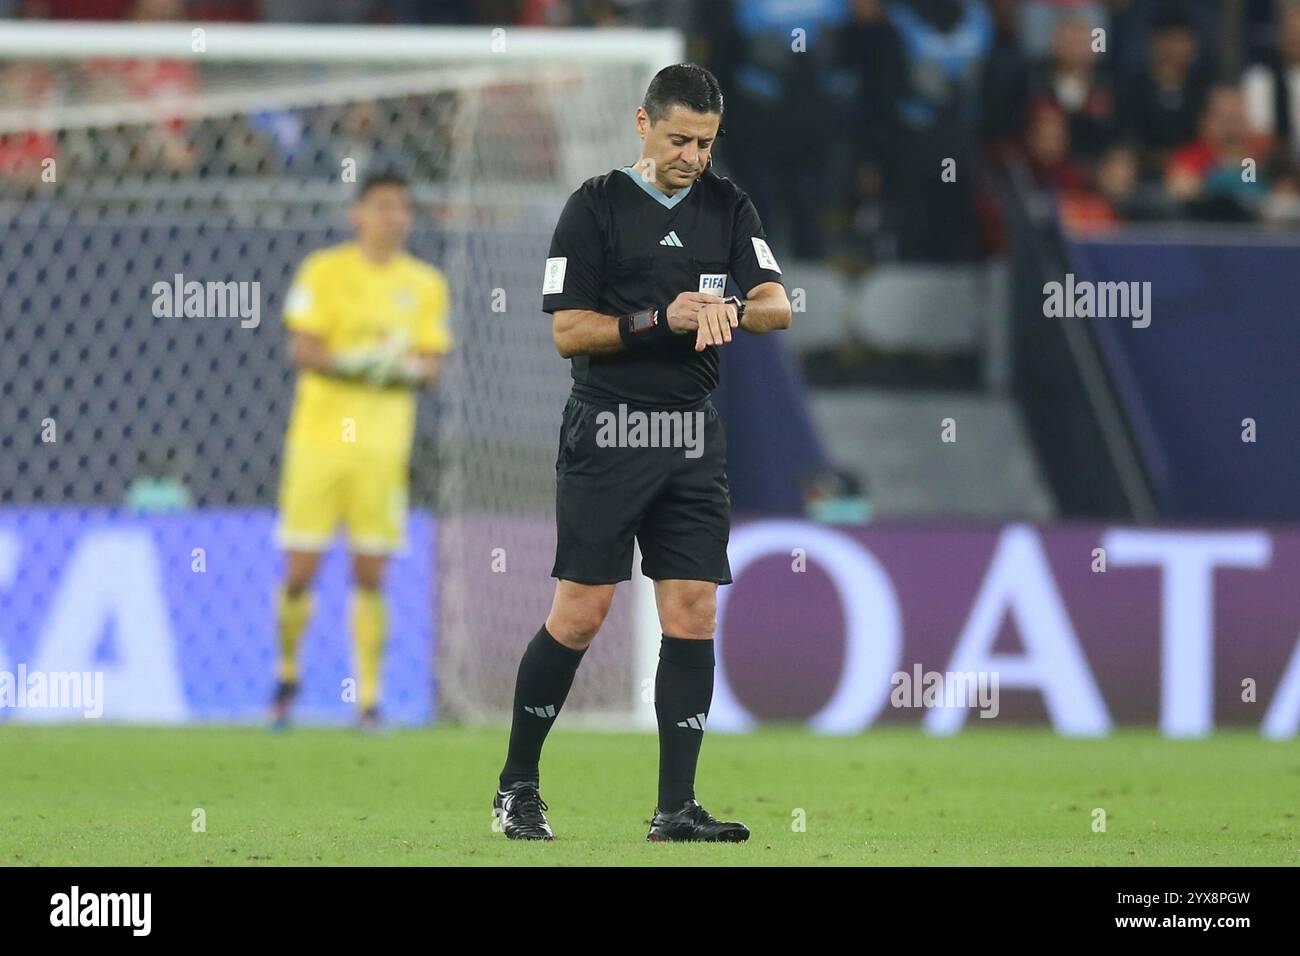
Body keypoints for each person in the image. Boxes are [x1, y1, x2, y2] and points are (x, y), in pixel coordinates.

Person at [493, 63, 791, 842]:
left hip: (690, 431)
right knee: (583, 612)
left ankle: (675, 810)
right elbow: (568, 331)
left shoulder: (729, 205)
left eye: (706, 142)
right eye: (680, 139)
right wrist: (661, 318)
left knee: (692, 611)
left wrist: (727, 306)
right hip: (610, 427)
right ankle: (517, 787)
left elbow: (777, 305)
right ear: (642, 123)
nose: (694, 155)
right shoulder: (592, 207)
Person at [271, 173, 452, 731]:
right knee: (300, 570)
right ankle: (286, 676)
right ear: (358, 213)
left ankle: (368, 701)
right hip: (319, 444)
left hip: (381, 450)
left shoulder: (425, 284)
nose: (392, 217)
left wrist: (398, 367)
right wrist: (361, 363)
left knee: (370, 573)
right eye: (381, 206)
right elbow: (304, 348)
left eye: (401, 207)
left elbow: (430, 365)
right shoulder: (322, 271)